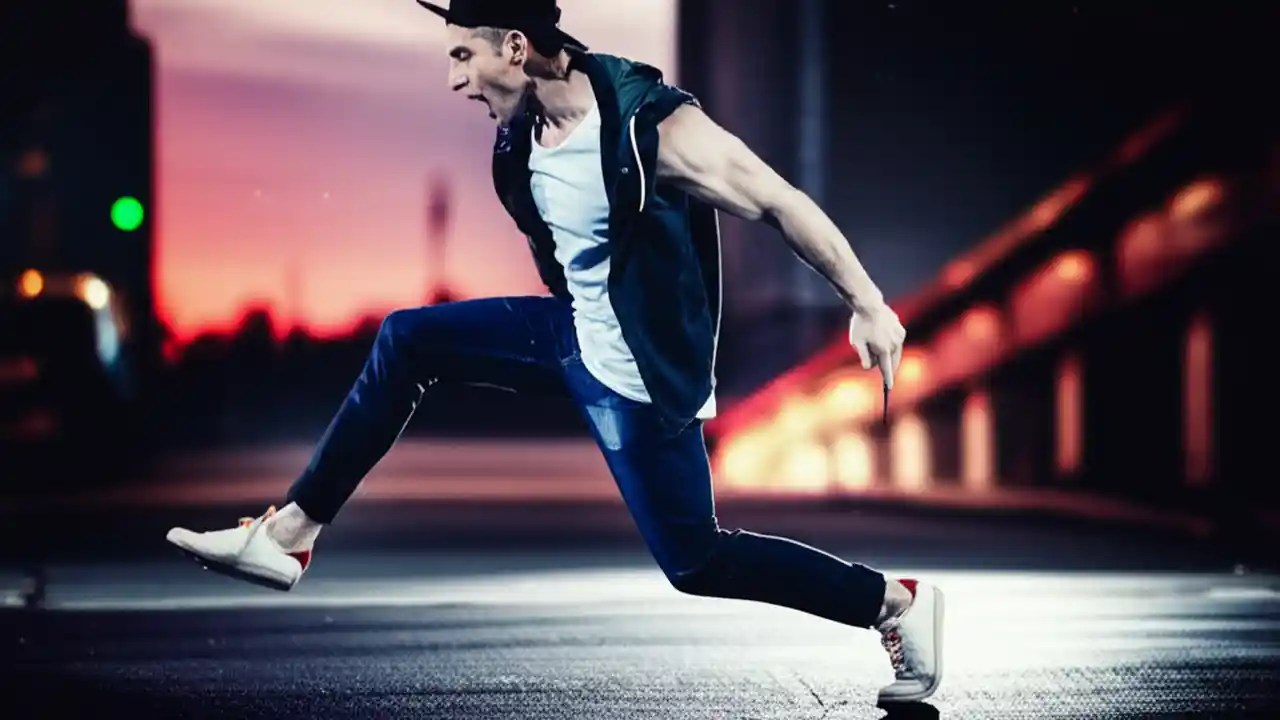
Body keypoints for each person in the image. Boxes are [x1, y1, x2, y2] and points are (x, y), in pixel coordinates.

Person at [166, 0, 943, 704]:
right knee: (408, 339)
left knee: (697, 560)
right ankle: (290, 536)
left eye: (462, 58)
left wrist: (868, 302)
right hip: (569, 334)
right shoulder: (521, 145)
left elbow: (779, 201)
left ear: (513, 46)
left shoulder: (652, 127)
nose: (452, 81)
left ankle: (895, 603)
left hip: (637, 372)